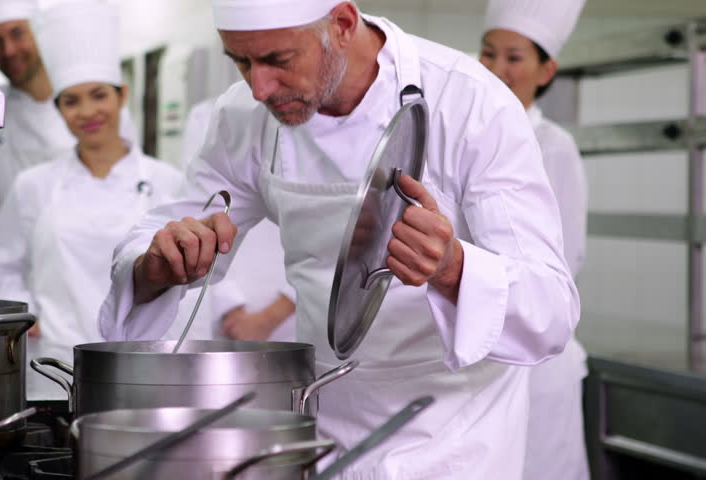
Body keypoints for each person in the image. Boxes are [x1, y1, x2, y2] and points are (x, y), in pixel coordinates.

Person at [98, 0, 581, 477]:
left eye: (278, 61)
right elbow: (168, 230)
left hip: (452, 439)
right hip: (322, 424)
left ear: (344, 24)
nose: (259, 87)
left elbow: (551, 309)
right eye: (241, 62)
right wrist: (158, 264)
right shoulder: (244, 115)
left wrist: (452, 267)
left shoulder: (471, 104)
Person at [0, 0, 189, 399]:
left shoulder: (168, 182)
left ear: (121, 96)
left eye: (98, 95)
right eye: (71, 101)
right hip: (54, 368)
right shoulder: (33, 185)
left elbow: (192, 287)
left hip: (143, 365)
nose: (87, 111)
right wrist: (25, 309)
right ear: (59, 109)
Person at [0, 0, 136, 269]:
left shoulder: (103, 119)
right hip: (10, 285)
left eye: (17, 33)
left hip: (97, 276)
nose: (8, 50)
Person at [481, 1, 590, 478]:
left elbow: (565, 261)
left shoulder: (555, 148)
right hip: (475, 356)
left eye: (513, 57)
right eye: (488, 54)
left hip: (536, 360)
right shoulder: (467, 133)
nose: (497, 69)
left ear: (546, 70)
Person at [180, 98, 296, 342]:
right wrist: (229, 304)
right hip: (225, 312)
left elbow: (333, 237)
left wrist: (271, 316)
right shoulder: (206, 114)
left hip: (300, 306)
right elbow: (201, 209)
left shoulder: (316, 112)